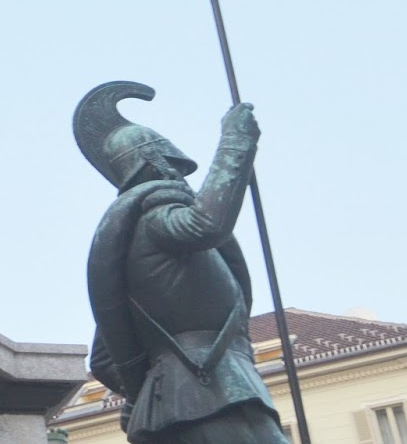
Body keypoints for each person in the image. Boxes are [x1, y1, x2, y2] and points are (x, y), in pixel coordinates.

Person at [74, 81, 290, 444]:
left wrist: (150, 387)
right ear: (156, 161)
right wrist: (237, 141)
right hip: (212, 392)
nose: (179, 175)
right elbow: (207, 225)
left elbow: (104, 359)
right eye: (174, 165)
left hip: (176, 402)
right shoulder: (156, 218)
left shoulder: (128, 247)